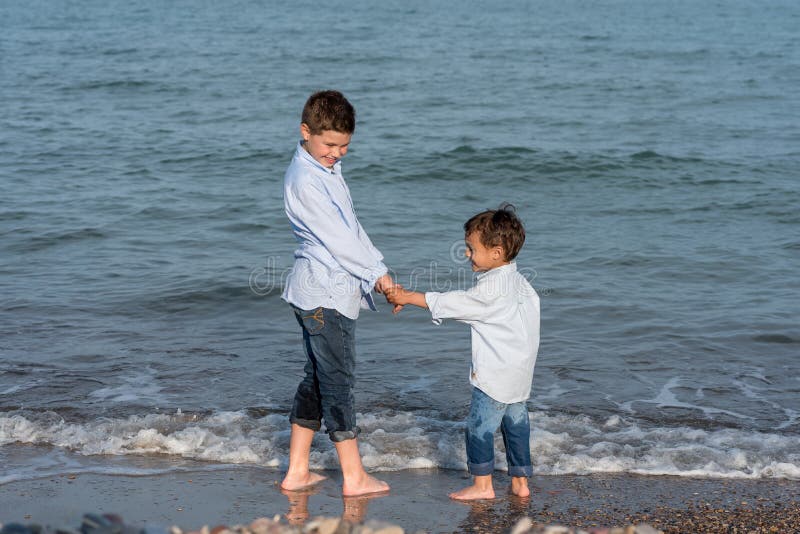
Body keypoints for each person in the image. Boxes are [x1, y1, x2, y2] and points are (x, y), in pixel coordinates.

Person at [385, 204, 540, 500]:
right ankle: (520, 483)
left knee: (479, 427)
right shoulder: (521, 283)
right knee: (516, 426)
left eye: (471, 249)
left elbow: (451, 302)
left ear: (496, 253)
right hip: (520, 374)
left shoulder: (489, 292)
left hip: (495, 376)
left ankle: (482, 486)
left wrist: (405, 296)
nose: (467, 254)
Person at [280, 90, 393, 496]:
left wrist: (379, 266)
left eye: (345, 146)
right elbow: (339, 241)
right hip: (324, 295)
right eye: (330, 144)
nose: (338, 153)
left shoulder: (324, 169)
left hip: (316, 293)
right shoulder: (306, 181)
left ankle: (296, 471)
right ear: (305, 132)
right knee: (338, 381)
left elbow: (351, 227)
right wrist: (379, 276)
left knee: (316, 378)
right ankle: (354, 476)